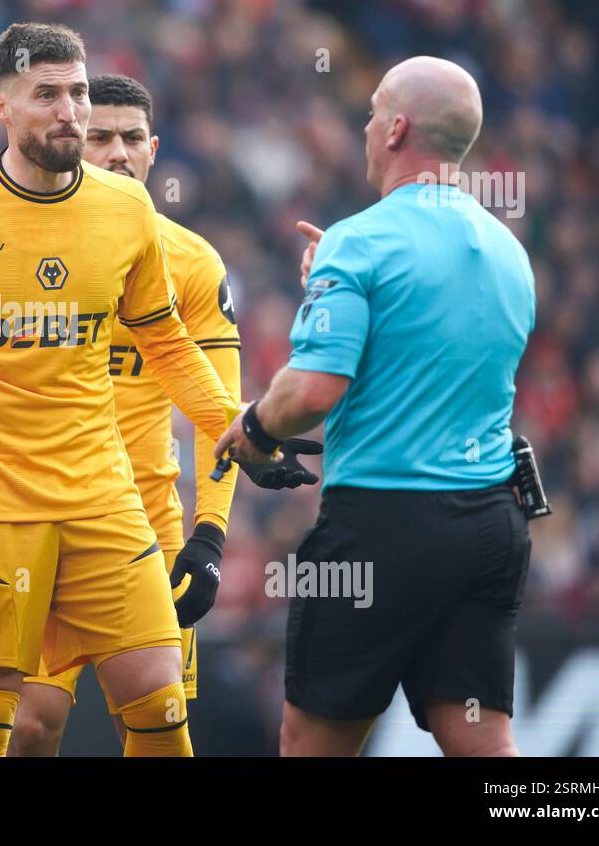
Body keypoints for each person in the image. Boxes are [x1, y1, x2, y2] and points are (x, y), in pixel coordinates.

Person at [0, 24, 239, 757]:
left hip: (105, 502)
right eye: (48, 95)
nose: (70, 111)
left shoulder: (129, 215)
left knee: (160, 705)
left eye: (78, 92)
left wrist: (240, 432)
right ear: (2, 107)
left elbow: (165, 343)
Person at [215, 56, 536, 757]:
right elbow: (427, 335)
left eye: (370, 112)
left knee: (311, 742)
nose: (362, 126)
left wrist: (254, 428)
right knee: (480, 738)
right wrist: (340, 275)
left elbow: (310, 393)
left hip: (384, 526)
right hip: (489, 524)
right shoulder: (509, 251)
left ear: (395, 129)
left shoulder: (361, 242)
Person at [8, 74, 245, 755]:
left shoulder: (193, 263)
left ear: (154, 150)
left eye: (132, 138)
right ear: (72, 146)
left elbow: (218, 412)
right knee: (28, 726)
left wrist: (210, 537)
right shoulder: (21, 250)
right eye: (100, 137)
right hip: (38, 521)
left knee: (157, 720)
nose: (118, 152)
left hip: (144, 528)